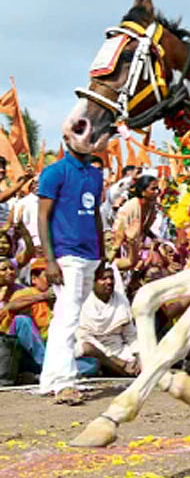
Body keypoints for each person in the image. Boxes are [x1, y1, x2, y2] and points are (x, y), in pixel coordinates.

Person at [37, 141, 105, 405]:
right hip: (67, 254)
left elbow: (96, 213)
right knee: (68, 318)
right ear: (68, 139)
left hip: (90, 254)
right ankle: (64, 383)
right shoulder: (55, 172)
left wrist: (102, 252)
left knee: (65, 318)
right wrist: (50, 260)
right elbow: (43, 216)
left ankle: (51, 380)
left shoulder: (96, 173)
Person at [75, 264, 139, 377]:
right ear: (93, 282)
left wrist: (139, 356)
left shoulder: (121, 299)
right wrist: (117, 362)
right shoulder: (83, 301)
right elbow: (84, 337)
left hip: (119, 349)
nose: (109, 282)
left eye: (111, 278)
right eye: (103, 279)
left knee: (145, 360)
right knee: (86, 348)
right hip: (96, 350)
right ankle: (120, 369)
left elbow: (130, 334)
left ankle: (124, 369)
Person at [113, 175, 160, 271]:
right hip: (124, 248)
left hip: (137, 245)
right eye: (153, 189)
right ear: (143, 192)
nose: (157, 192)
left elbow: (144, 228)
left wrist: (154, 238)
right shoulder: (131, 206)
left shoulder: (152, 207)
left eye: (157, 189)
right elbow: (118, 231)